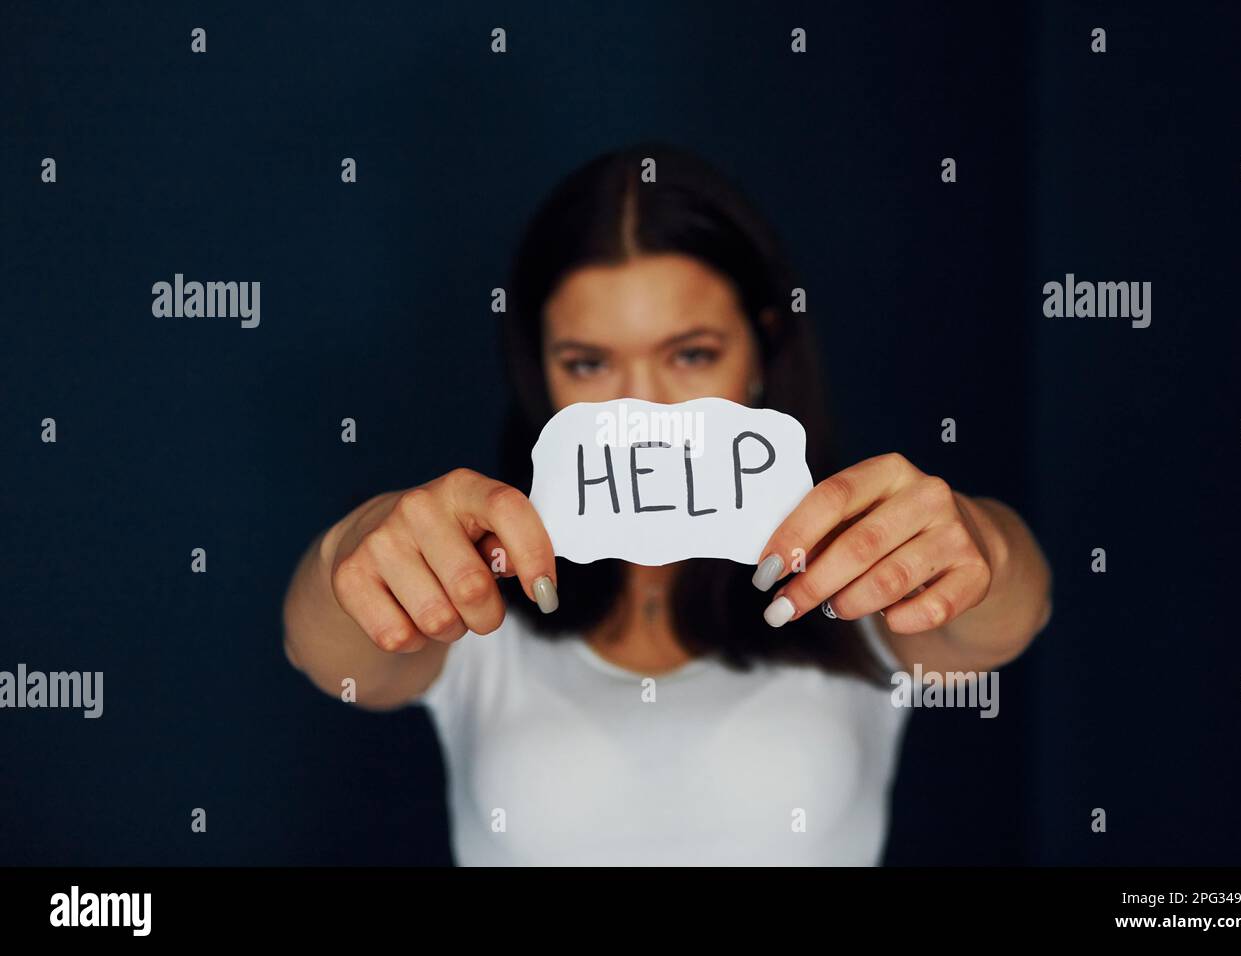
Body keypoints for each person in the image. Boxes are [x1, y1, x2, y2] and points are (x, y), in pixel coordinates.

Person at [281, 141, 1053, 865]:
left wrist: (982, 541)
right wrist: (353, 543)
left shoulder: (860, 575)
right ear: (539, 374)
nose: (643, 408)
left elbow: (1009, 617)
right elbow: (326, 654)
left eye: (690, 355)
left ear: (761, 348)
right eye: (589, 364)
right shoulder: (474, 593)